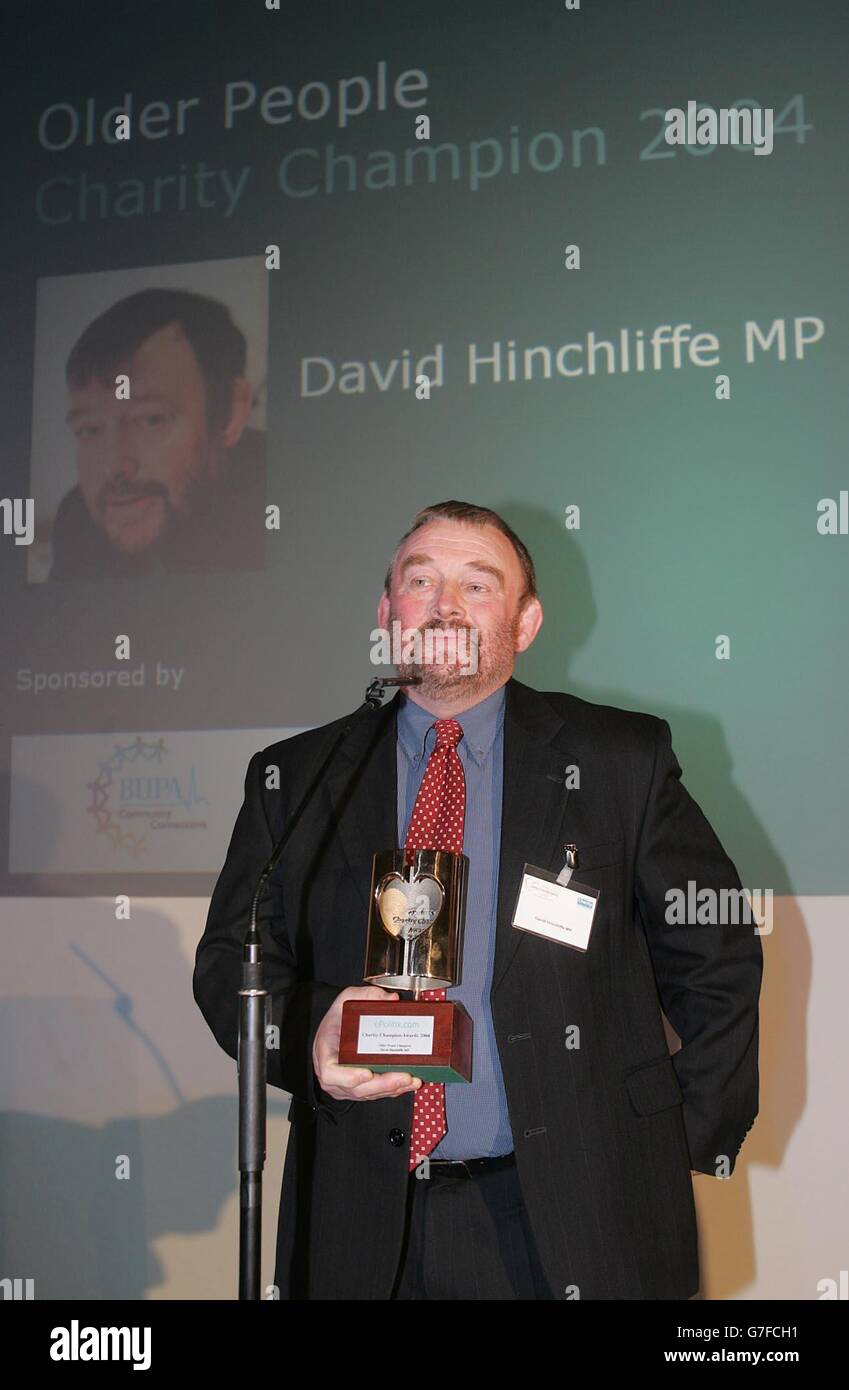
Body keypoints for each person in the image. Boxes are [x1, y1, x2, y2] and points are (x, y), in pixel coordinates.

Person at [193, 499, 762, 1300]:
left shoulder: (617, 761)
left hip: (577, 1218)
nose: (445, 604)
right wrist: (311, 1030)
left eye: (477, 584)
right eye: (419, 581)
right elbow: (230, 965)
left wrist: (672, 1141)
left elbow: (717, 950)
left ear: (525, 623)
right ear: (387, 613)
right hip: (360, 1219)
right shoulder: (298, 776)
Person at [49, 287, 266, 579]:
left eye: (151, 420)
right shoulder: (77, 521)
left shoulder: (294, 504)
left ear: (231, 412)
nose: (114, 466)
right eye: (89, 430)